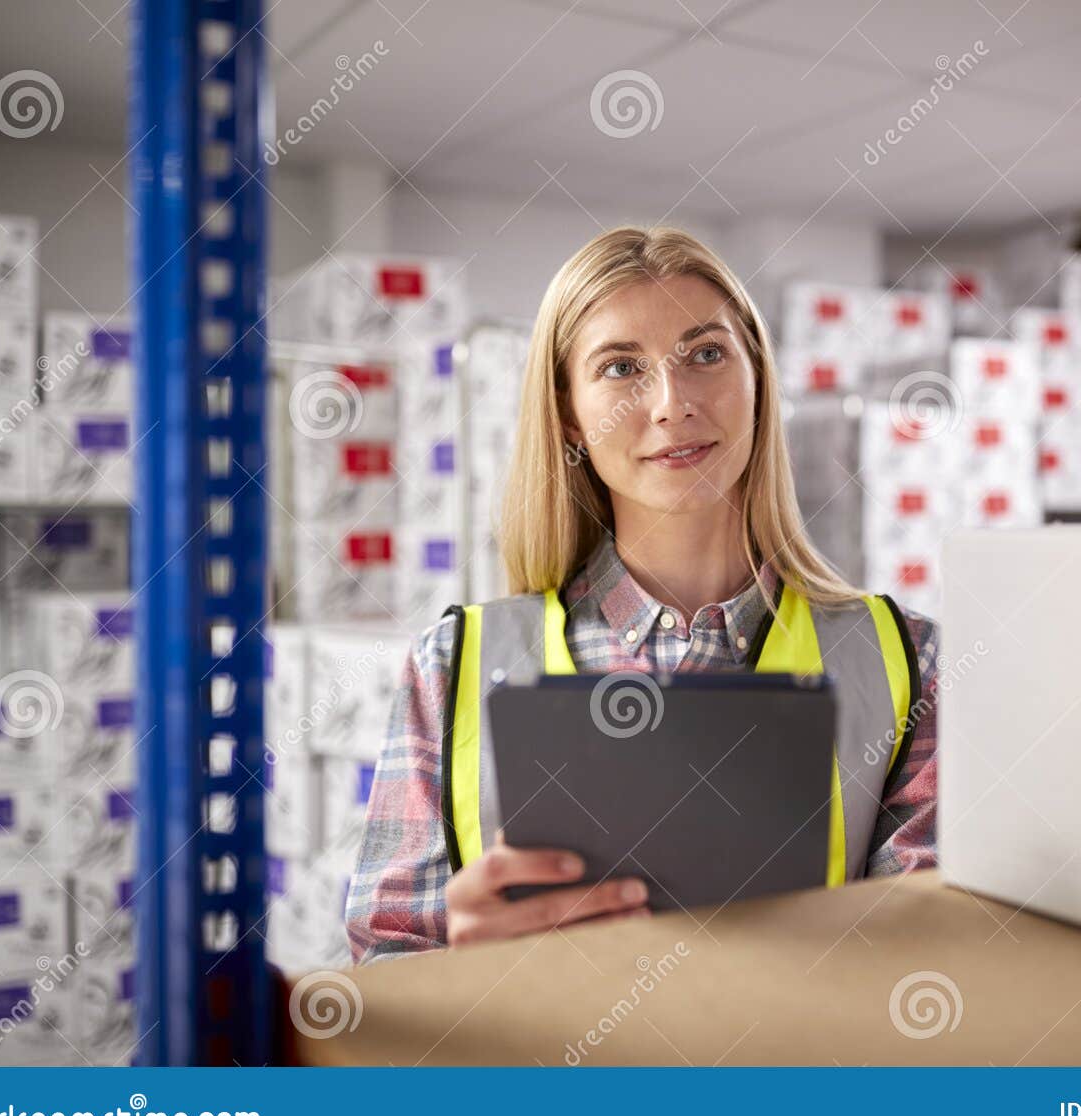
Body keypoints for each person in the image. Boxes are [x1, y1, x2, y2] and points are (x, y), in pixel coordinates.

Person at [346, 226, 940, 965]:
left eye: (706, 354)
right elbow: (382, 979)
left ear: (758, 374)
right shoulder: (452, 663)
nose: (672, 401)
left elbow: (927, 962)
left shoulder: (905, 659)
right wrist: (459, 963)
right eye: (622, 367)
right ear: (568, 414)